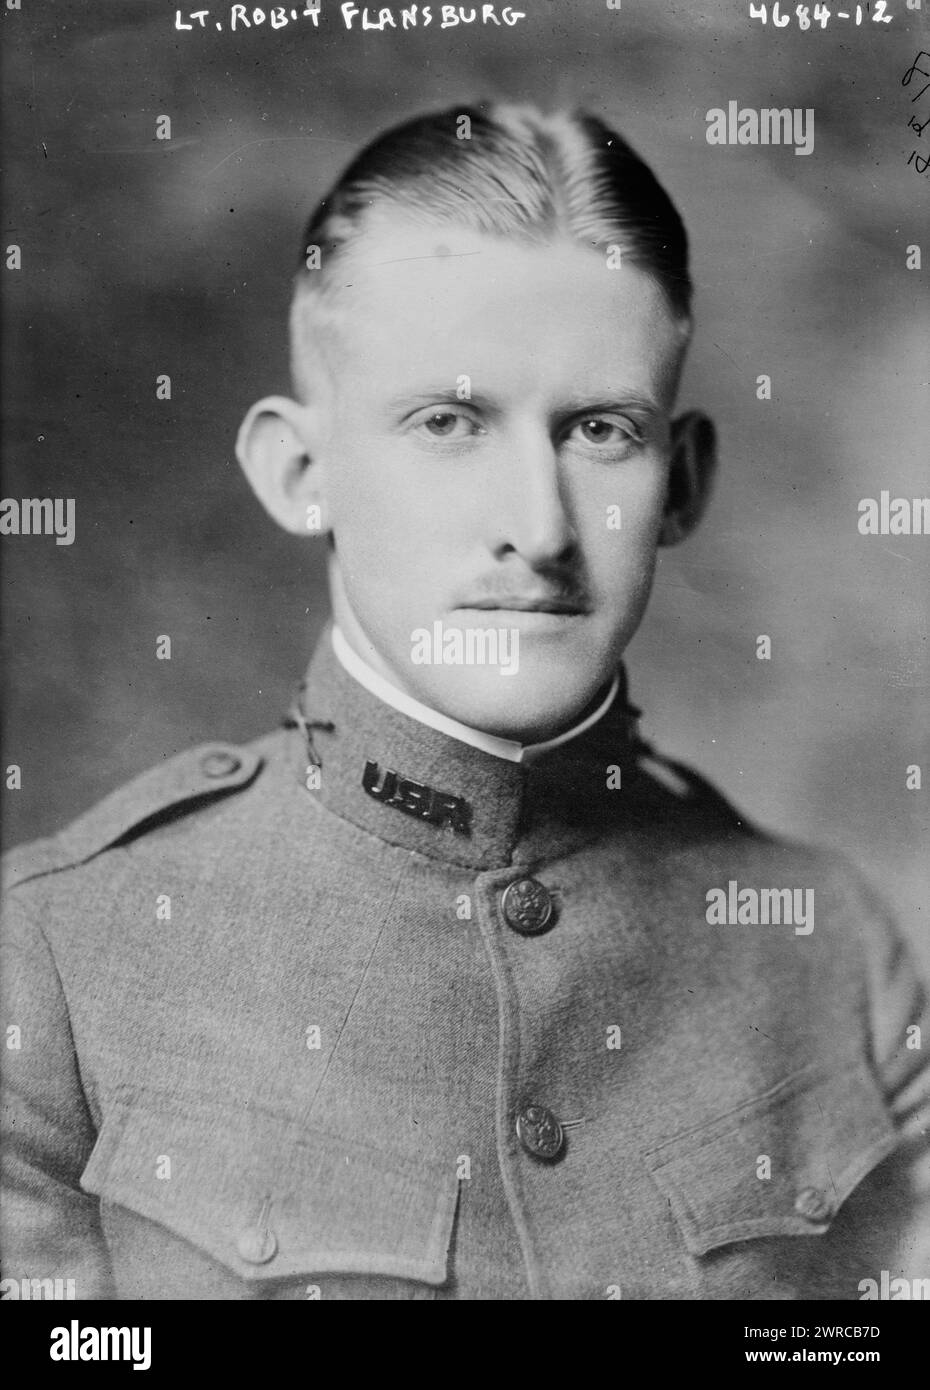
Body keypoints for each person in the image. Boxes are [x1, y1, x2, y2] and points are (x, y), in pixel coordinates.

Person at [2, 103, 927, 1302]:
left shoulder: (835, 953)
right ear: (300, 470)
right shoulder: (52, 966)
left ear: (683, 479)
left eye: (601, 431)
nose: (538, 530)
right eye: (448, 422)